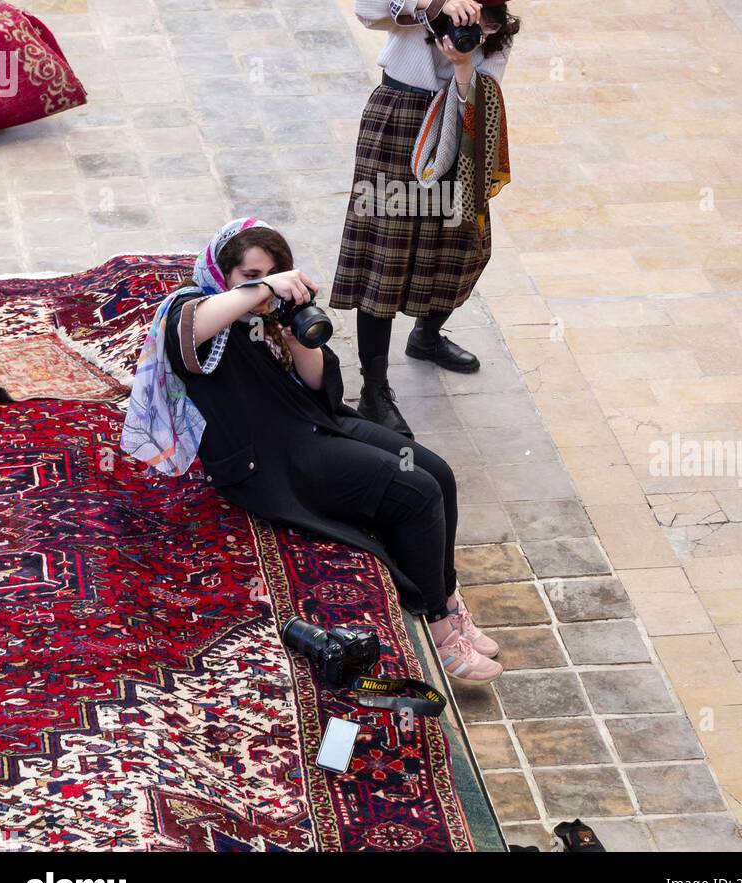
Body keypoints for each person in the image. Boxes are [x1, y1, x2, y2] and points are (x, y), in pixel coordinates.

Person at [121, 217, 503, 683]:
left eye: (272, 274)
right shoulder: (193, 308)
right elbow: (185, 333)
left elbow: (320, 384)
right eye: (249, 276)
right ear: (223, 274)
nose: (262, 288)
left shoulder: (270, 315)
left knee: (437, 473)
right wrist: (264, 290)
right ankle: (442, 633)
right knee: (416, 492)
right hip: (271, 454)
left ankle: (446, 598)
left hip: (316, 421)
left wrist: (293, 331)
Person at [330, 0, 519, 438]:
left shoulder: (492, 38)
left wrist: (461, 63)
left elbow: (478, 103)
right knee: (385, 257)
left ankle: (426, 336)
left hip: (460, 129)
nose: (472, 26)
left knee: (465, 248)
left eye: (486, 18)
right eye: (467, 13)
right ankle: (375, 390)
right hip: (396, 123)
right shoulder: (413, 13)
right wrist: (433, 2)